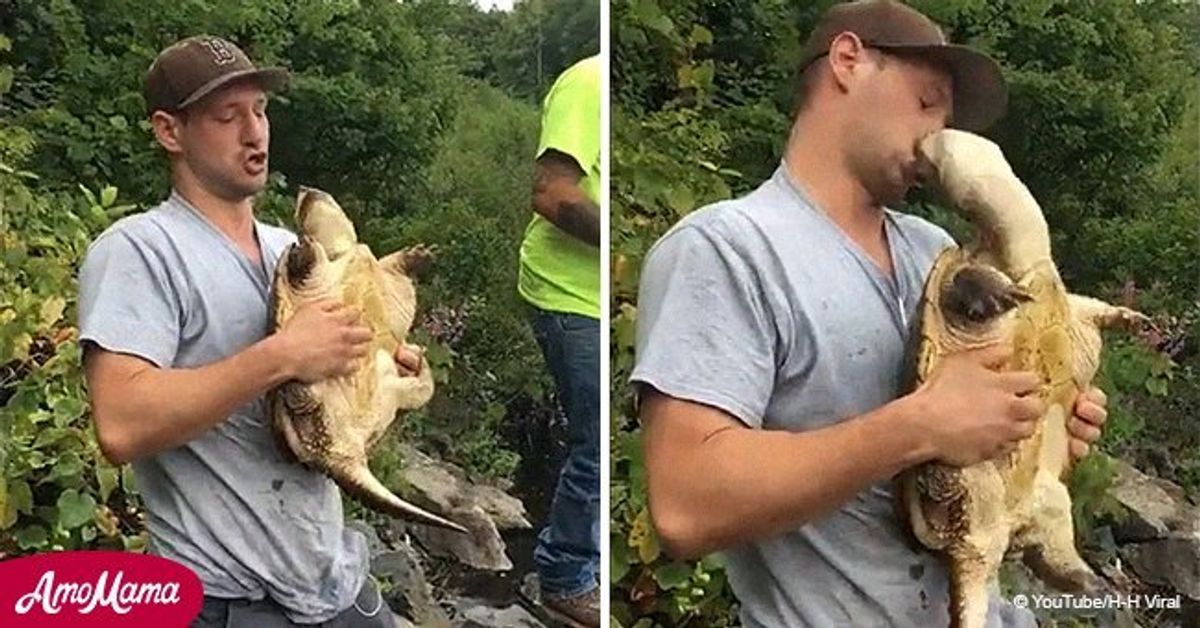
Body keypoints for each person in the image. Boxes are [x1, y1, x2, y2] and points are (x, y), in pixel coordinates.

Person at [631, 2, 1110, 626]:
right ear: (848, 61)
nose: (939, 137)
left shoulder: (937, 255)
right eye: (926, 102)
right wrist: (921, 426)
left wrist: (1036, 436)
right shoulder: (726, 251)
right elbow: (686, 506)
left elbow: (977, 459)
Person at [79, 36, 423, 627]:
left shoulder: (295, 253)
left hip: (334, 583)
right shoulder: (139, 251)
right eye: (227, 116)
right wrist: (283, 355)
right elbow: (120, 423)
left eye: (260, 110)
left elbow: (328, 430)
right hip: (225, 603)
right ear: (170, 131)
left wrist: (385, 379)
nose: (254, 132)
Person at [516, 54, 601, 627]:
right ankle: (565, 579)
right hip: (568, 296)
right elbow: (552, 193)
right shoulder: (587, 82)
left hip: (594, 296)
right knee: (594, 447)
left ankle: (576, 563)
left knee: (597, 439)